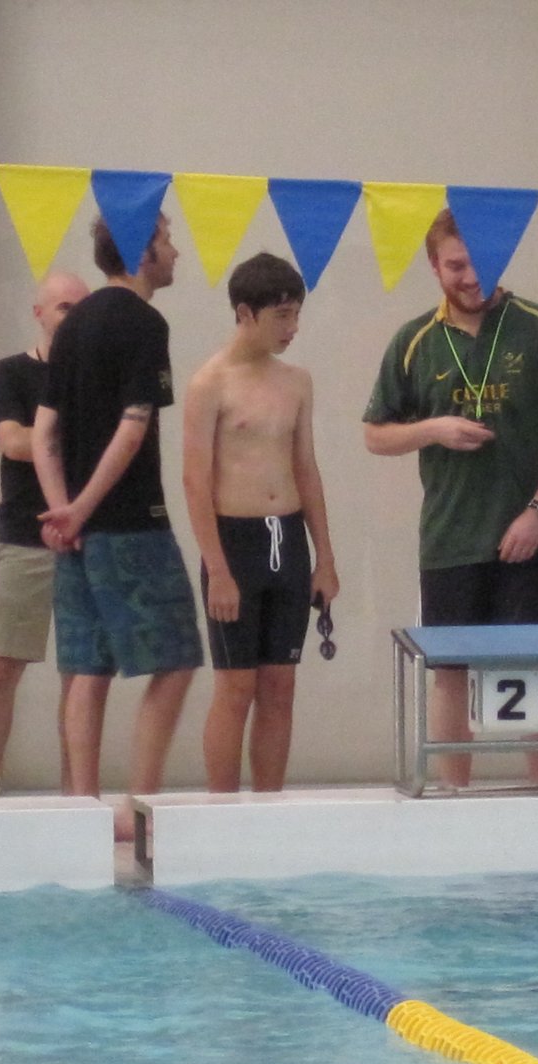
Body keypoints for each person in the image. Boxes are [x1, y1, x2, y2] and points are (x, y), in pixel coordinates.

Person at [363, 208, 538, 787]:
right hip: (451, 538)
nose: (471, 277)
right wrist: (432, 430)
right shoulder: (414, 341)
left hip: (531, 534)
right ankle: (454, 797)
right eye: (456, 265)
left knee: (530, 666)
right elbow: (374, 433)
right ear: (433, 265)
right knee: (449, 671)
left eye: (480, 262)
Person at [33, 215, 203, 838]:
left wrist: (64, 511)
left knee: (88, 668)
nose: (177, 251)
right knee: (178, 657)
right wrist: (81, 509)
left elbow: (45, 431)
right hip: (132, 523)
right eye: (168, 241)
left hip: (76, 534)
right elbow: (134, 425)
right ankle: (140, 805)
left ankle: (82, 807)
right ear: (142, 251)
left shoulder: (72, 323)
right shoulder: (144, 323)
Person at [183, 252, 339, 793]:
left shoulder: (296, 381)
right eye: (282, 317)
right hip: (235, 543)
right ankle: (222, 809)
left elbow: (307, 469)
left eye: (296, 315)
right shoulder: (210, 384)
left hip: (288, 541)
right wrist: (217, 570)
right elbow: (195, 482)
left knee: (280, 685)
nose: (292, 329)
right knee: (235, 687)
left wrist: (326, 558)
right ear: (245, 314)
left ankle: (268, 805)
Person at [0, 270, 90, 798]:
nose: (72, 318)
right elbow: (14, 443)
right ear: (39, 314)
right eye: (63, 308)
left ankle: (75, 799)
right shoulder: (12, 373)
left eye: (81, 309)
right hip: (25, 539)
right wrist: (76, 435)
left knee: (80, 678)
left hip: (88, 540)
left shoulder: (101, 377)